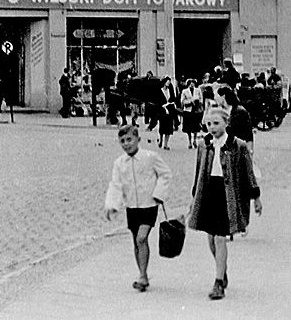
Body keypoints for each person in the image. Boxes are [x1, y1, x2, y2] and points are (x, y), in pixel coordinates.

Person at [187, 107, 262, 300]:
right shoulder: (204, 145)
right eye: (209, 124)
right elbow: (199, 171)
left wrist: (256, 198)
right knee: (211, 239)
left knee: (220, 238)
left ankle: (218, 282)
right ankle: (223, 269)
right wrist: (195, 195)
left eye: (216, 123)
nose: (212, 127)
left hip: (227, 194)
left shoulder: (238, 145)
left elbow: (248, 174)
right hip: (209, 191)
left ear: (226, 123)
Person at [104, 124, 172, 293]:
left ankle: (142, 276)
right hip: (132, 206)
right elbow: (116, 184)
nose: (127, 144)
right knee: (136, 240)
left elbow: (165, 174)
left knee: (142, 238)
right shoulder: (119, 163)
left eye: (129, 140)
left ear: (138, 140)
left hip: (149, 204)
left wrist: (159, 193)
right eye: (122, 141)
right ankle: (143, 274)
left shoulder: (150, 157)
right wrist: (112, 205)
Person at [218, 87, 254, 155]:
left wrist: (226, 146)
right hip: (244, 141)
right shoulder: (237, 109)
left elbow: (233, 130)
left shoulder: (238, 111)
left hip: (242, 142)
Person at [180, 79, 203, 148]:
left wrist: (198, 102)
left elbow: (201, 98)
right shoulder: (185, 91)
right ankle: (189, 141)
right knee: (188, 127)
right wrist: (189, 102)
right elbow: (182, 101)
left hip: (196, 110)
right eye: (190, 83)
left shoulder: (198, 90)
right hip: (188, 110)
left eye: (193, 83)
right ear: (188, 84)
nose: (192, 84)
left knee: (196, 127)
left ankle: (195, 140)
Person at [157, 77, 176, 150]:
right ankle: (161, 139)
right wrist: (162, 106)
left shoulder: (170, 90)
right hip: (162, 110)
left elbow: (173, 99)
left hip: (170, 110)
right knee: (162, 127)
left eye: (169, 82)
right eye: (167, 82)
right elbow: (158, 101)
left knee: (169, 127)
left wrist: (171, 103)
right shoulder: (160, 91)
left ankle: (166, 144)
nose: (168, 83)